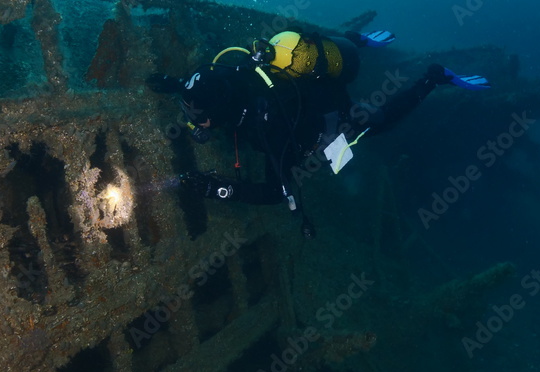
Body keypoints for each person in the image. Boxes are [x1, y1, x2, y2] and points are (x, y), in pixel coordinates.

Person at [148, 30, 489, 237]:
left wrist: (215, 187)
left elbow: (274, 193)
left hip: (334, 118)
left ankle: (432, 77)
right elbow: (207, 88)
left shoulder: (268, 127)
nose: (193, 121)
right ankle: (356, 41)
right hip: (307, 92)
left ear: (218, 113)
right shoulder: (232, 75)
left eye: (197, 115)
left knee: (384, 120)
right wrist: (174, 85)